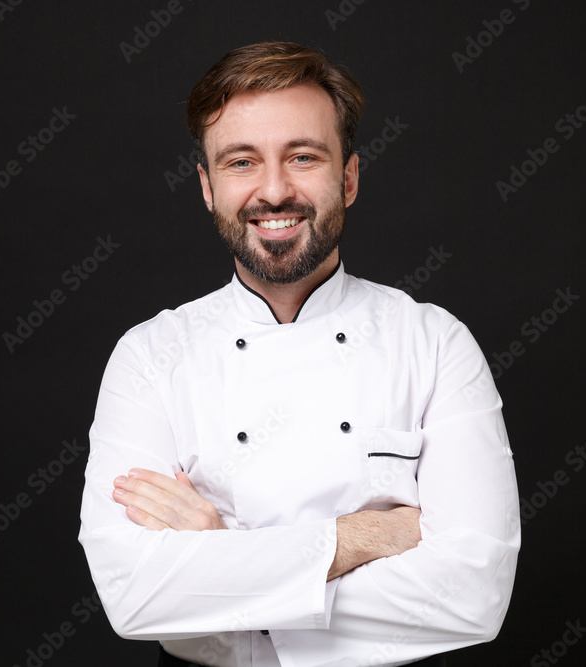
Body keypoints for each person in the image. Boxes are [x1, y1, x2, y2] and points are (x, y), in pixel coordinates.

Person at [78, 41, 520, 667]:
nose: (274, 191)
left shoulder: (436, 343)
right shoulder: (150, 356)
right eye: (241, 162)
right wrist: (361, 537)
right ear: (207, 187)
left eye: (303, 157)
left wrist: (217, 555)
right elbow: (135, 596)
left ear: (349, 178)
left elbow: (473, 593)